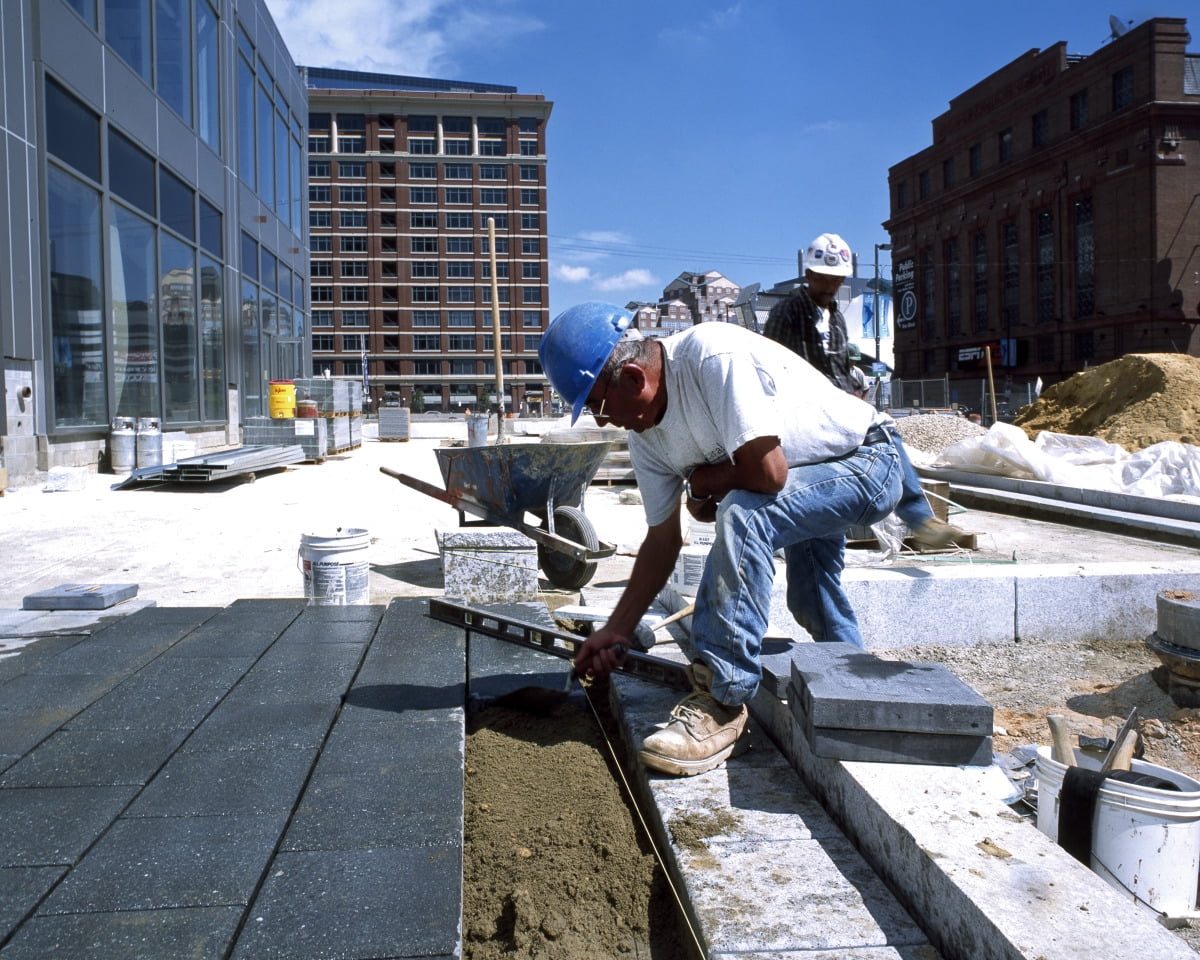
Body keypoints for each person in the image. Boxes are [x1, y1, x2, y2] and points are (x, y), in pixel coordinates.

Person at [538, 302, 903, 777]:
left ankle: (723, 701)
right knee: (811, 597)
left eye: (598, 406)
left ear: (633, 378)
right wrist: (616, 628)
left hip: (868, 459)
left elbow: (768, 477)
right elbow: (661, 542)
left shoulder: (711, 358)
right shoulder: (645, 438)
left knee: (744, 514)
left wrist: (713, 481)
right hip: (810, 472)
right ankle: (859, 700)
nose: (603, 422)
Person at [764, 232, 962, 550]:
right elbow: (769, 365)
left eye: (837, 280)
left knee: (880, 445)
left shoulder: (837, 319)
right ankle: (919, 518)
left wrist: (855, 397)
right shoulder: (786, 314)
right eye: (825, 279)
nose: (830, 287)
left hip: (835, 407)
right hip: (803, 408)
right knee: (883, 428)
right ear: (810, 274)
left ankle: (911, 517)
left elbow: (841, 370)